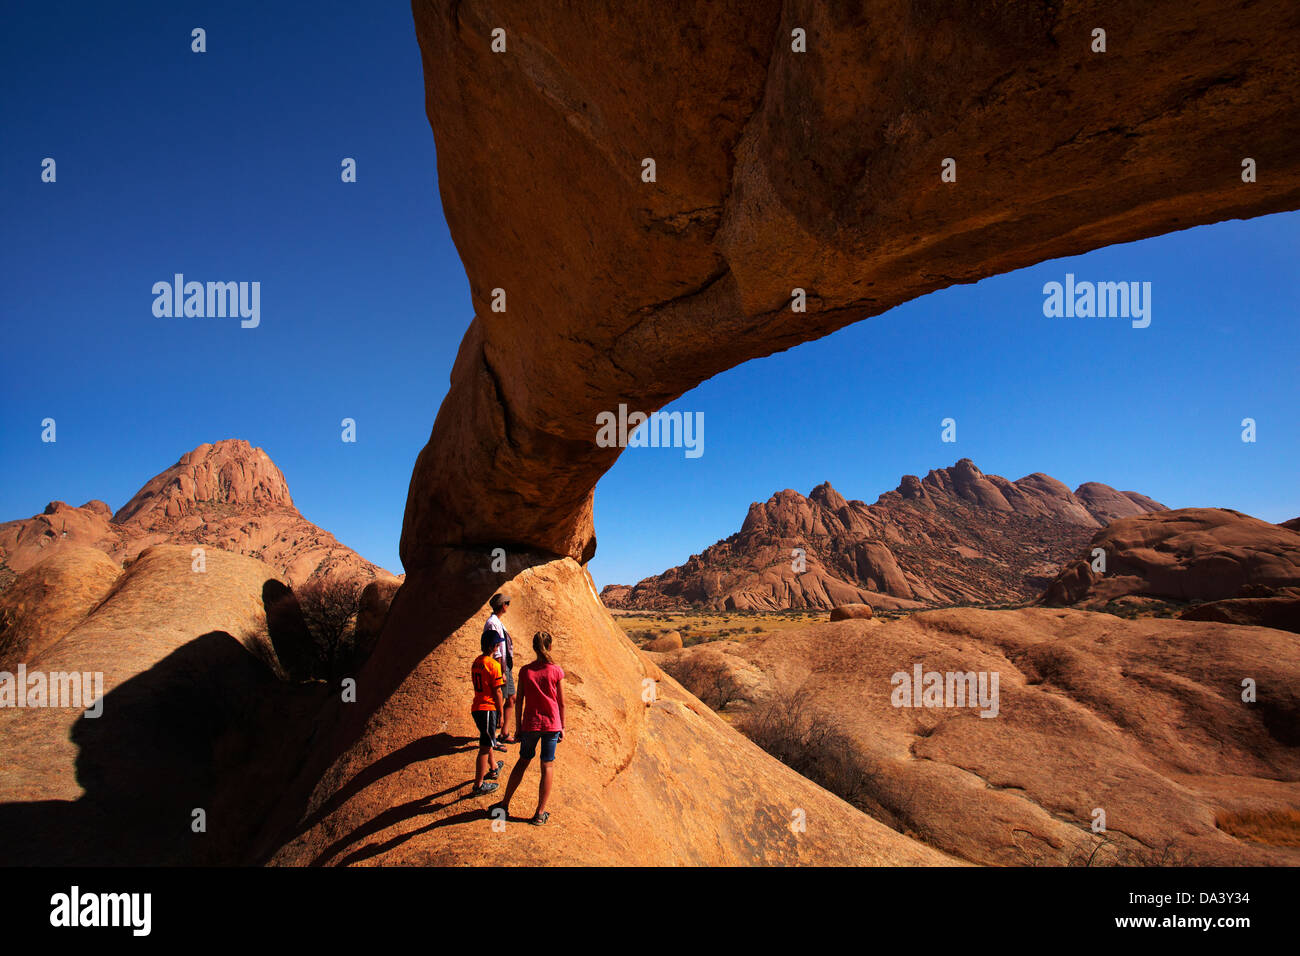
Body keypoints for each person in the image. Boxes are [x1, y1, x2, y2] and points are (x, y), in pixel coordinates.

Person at [493, 631, 565, 825]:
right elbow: (561, 703)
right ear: (550, 647)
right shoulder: (556, 671)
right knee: (547, 765)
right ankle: (539, 814)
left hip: (531, 724)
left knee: (523, 761)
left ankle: (504, 805)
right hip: (551, 724)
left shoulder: (525, 671)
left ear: (534, 647)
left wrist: (518, 727)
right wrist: (562, 727)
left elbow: (519, 702)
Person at [469, 631, 505, 795]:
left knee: (488, 739)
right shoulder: (494, 665)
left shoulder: (477, 661)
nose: (498, 647)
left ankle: (493, 767)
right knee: (485, 746)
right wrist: (501, 714)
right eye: (497, 645)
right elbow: (497, 692)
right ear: (492, 646)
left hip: (477, 707)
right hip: (488, 708)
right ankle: (478, 785)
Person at [483, 593, 518, 744]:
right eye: (507, 603)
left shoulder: (497, 621)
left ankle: (504, 733)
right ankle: (493, 736)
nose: (508, 606)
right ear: (503, 606)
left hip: (505, 666)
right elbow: (495, 648)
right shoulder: (492, 623)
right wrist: (500, 671)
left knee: (511, 698)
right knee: (499, 699)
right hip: (500, 667)